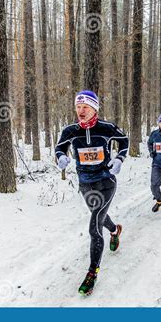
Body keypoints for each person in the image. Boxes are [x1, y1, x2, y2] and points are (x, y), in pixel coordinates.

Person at [55, 90, 129, 296]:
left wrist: (119, 159)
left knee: (94, 228)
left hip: (106, 182)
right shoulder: (70, 131)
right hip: (85, 184)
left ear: (94, 108)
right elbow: (59, 148)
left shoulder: (106, 128)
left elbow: (124, 141)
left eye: (85, 107)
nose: (81, 111)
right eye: (78, 107)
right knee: (100, 218)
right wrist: (60, 157)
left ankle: (92, 273)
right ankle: (115, 231)